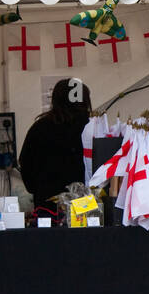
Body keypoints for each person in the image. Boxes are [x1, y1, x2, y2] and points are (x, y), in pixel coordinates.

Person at [19, 78, 93, 209]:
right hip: (86, 203)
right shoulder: (92, 127)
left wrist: (37, 188)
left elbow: (25, 162)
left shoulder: (40, 127)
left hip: (47, 204)